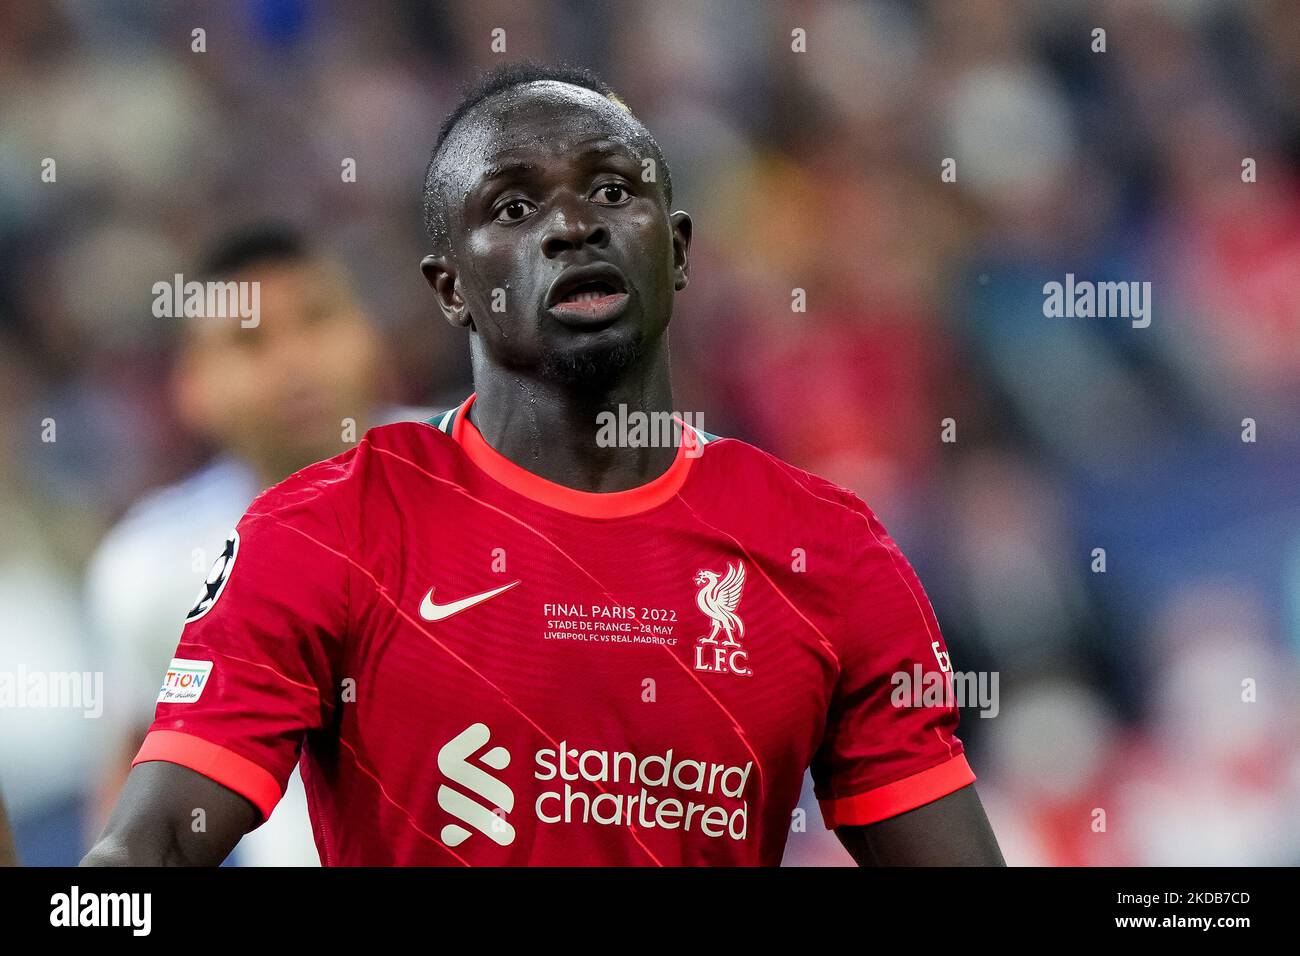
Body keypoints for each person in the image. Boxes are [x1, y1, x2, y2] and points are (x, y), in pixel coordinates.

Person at [84, 62, 1003, 866]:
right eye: (515, 207)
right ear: (450, 288)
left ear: (675, 250)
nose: (574, 227)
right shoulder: (326, 529)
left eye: (613, 191)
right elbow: (153, 843)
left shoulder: (827, 550)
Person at [85, 225, 389, 865]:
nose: (295, 361)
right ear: (191, 385)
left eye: (317, 318)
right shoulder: (146, 567)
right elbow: (133, 772)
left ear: (368, 333)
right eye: (250, 342)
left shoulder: (477, 474)